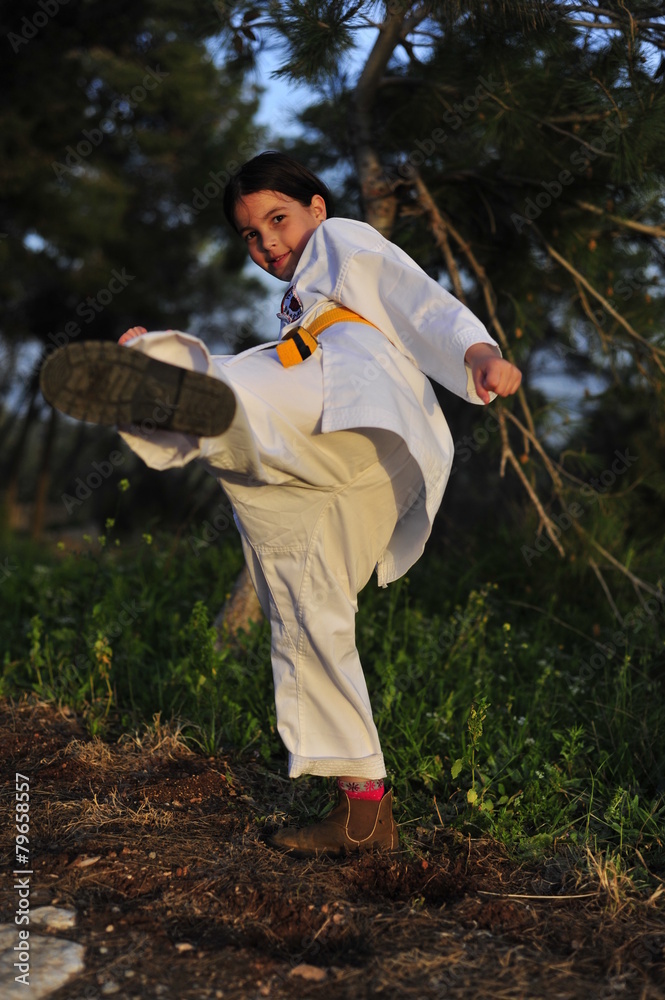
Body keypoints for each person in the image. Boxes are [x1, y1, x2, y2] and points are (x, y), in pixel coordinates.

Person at [40, 151, 522, 858]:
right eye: (250, 234)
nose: (268, 241)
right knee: (306, 606)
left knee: (240, 385)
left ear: (316, 208)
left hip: (347, 392)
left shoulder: (340, 240)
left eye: (278, 219)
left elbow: (418, 296)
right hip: (355, 462)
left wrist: (477, 352)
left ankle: (164, 378)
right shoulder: (298, 299)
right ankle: (362, 810)